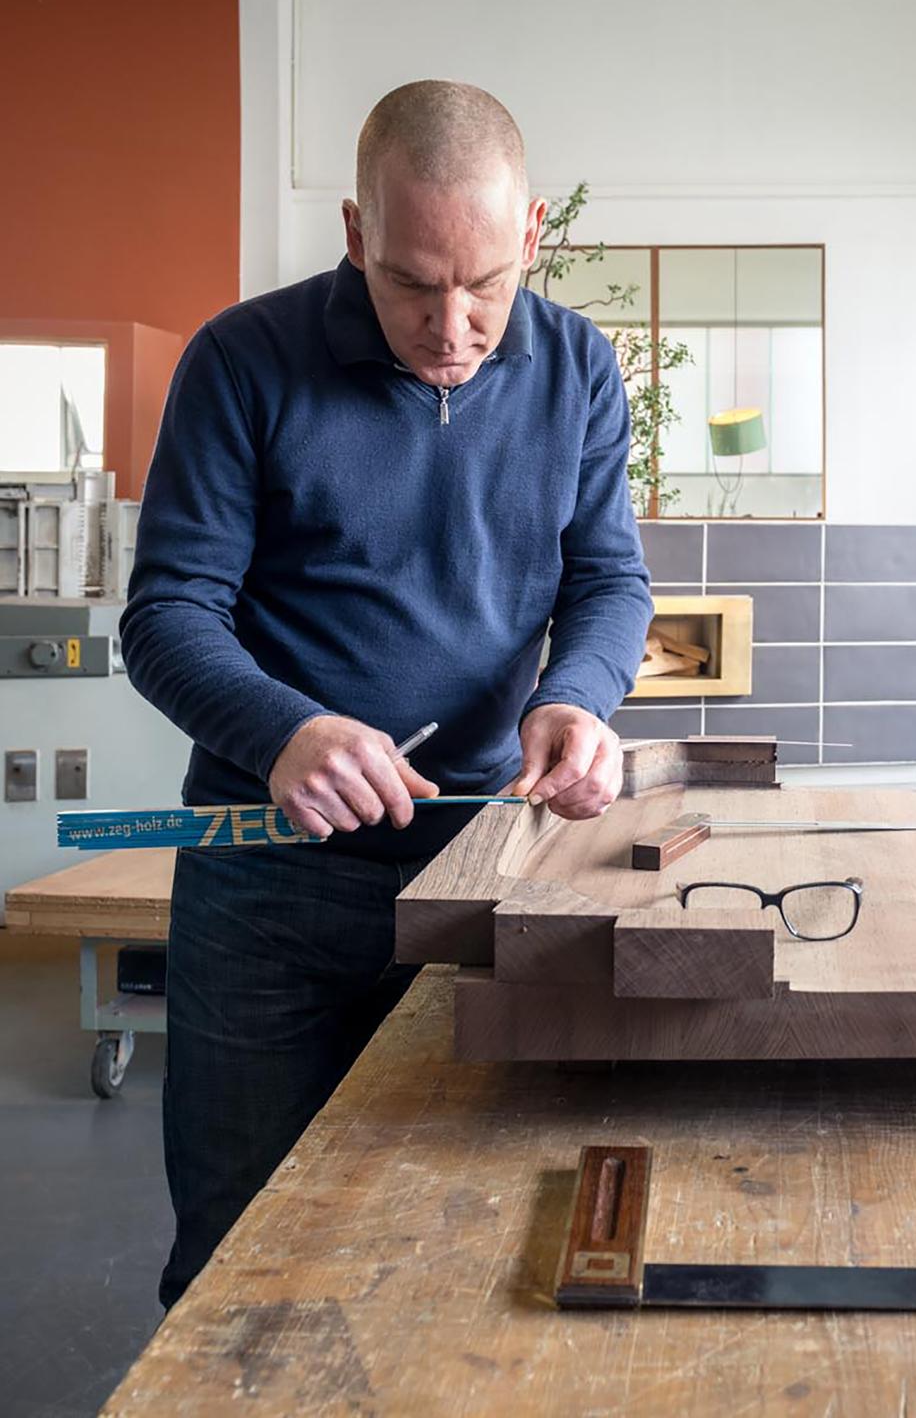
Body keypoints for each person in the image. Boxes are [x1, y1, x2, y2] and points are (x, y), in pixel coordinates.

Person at [121, 79, 652, 1306]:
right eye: (414, 282)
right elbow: (165, 618)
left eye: (484, 283)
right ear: (356, 235)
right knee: (236, 1247)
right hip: (268, 874)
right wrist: (285, 730)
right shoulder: (243, 361)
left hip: (483, 857)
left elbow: (610, 580)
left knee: (457, 1234)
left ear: (532, 239)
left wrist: (575, 696)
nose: (453, 325)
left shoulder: (576, 367)